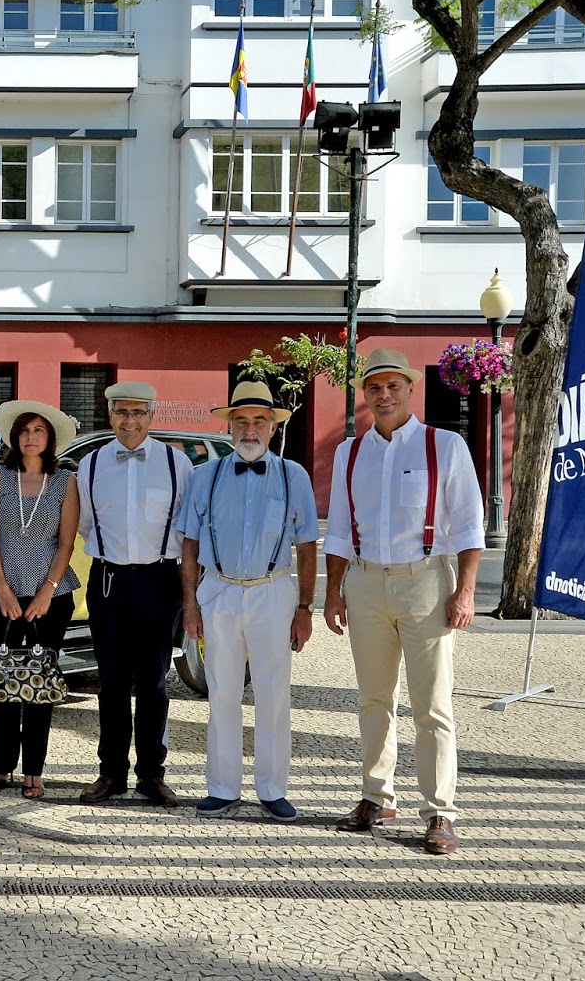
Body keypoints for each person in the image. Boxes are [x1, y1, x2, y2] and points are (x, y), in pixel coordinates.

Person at [323, 348, 483, 855]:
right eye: (374, 387)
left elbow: (469, 524)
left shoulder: (446, 445)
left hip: (426, 581)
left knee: (433, 705)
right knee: (373, 699)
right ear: (364, 394)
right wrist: (333, 592)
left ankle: (439, 811)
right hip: (366, 582)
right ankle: (376, 796)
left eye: (393, 386)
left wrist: (466, 590)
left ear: (409, 389)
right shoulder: (350, 452)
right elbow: (341, 532)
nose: (384, 394)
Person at [179, 381, 319, 823]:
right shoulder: (207, 475)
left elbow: (308, 545)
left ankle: (273, 789)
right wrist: (190, 604)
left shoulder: (293, 475)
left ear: (274, 426)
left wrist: (304, 608)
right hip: (218, 589)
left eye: (259, 420)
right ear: (229, 426)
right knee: (221, 690)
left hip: (273, 591)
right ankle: (222, 788)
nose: (250, 429)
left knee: (273, 693)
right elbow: (188, 544)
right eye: (241, 421)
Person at [76, 380, 193, 806]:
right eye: (122, 412)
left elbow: (185, 526)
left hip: (159, 579)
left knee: (154, 682)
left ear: (150, 416)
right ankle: (111, 773)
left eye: (138, 413)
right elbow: (87, 525)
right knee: (110, 681)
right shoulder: (89, 466)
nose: (130, 421)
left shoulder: (176, 463)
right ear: (110, 416)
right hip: (108, 581)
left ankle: (152, 774)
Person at [0, 401, 80, 800]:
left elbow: (67, 541)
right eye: (25, 431)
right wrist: (2, 587)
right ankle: (2, 766)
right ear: (15, 437)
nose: (31, 437)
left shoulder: (65, 482)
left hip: (50, 595)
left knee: (40, 684)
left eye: (39, 431)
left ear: (50, 439)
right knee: (1, 683)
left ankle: (34, 771)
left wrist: (46, 591)